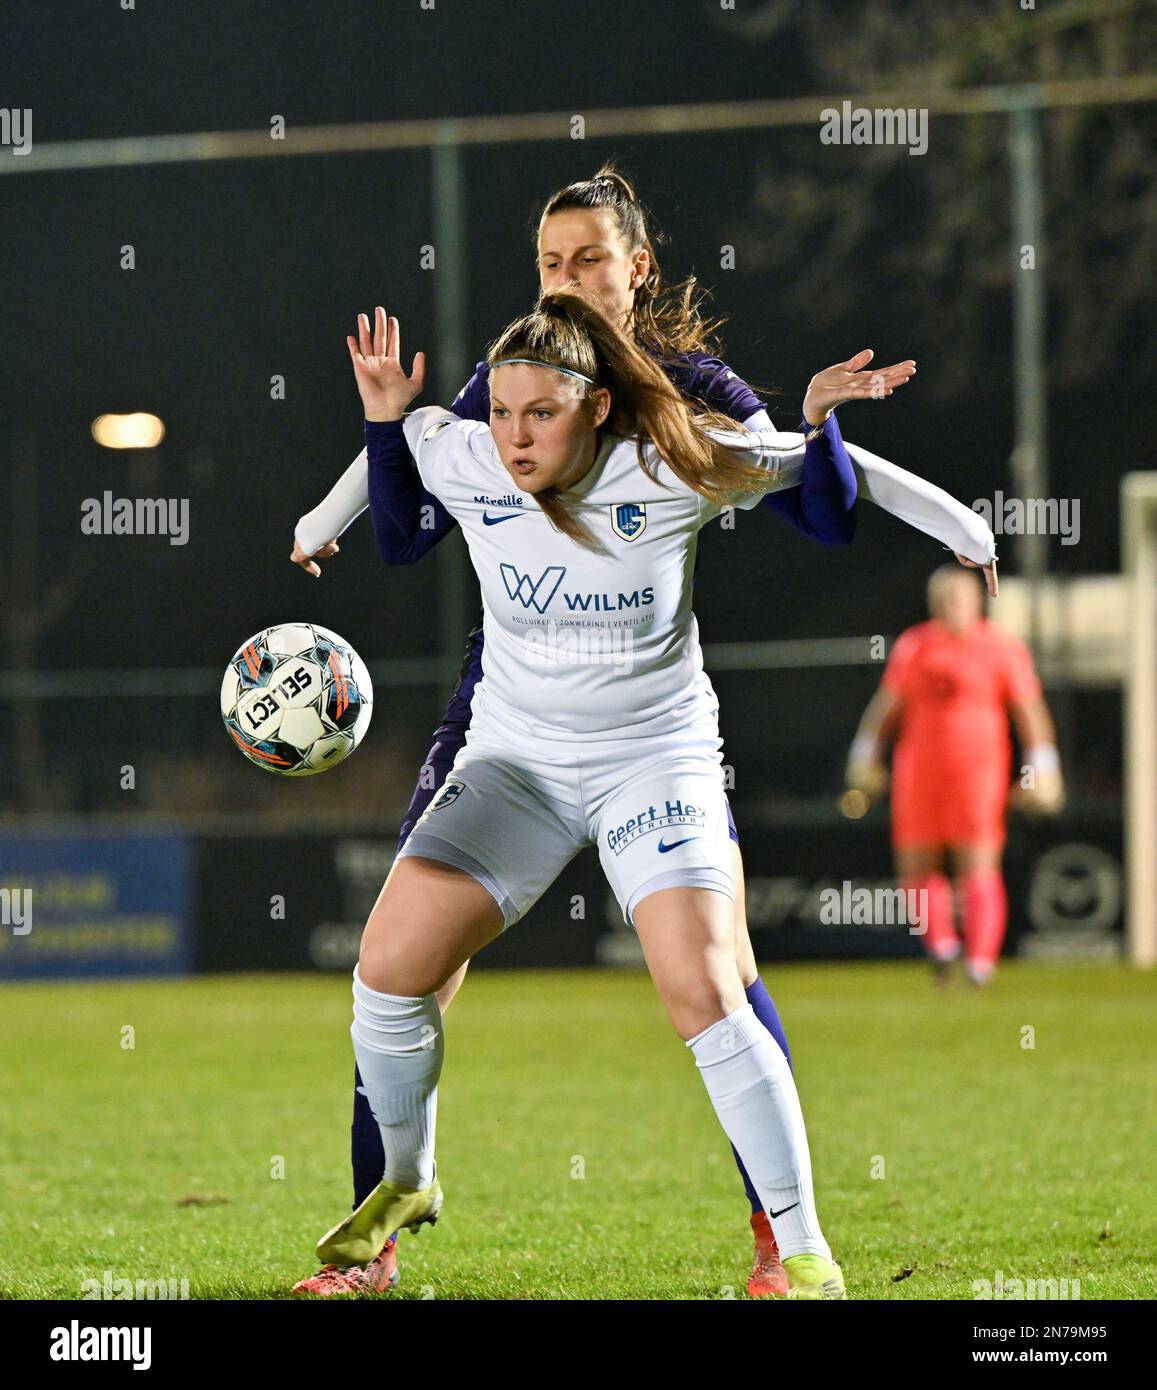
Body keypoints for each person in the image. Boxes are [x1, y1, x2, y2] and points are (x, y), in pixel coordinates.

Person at [291, 168, 995, 1296]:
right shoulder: (501, 397)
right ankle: (387, 1211)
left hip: (648, 744)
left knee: (709, 979)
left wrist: (935, 506)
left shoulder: (680, 425)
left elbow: (811, 489)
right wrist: (325, 511)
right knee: (400, 968)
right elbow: (414, 470)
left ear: (636, 272)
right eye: (547, 263)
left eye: (585, 260)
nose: (564, 281)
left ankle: (791, 1241)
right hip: (510, 730)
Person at [846, 565, 1064, 984]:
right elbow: (887, 705)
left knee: (977, 862)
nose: (953, 607)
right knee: (916, 861)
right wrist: (865, 754)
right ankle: (942, 946)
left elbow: (1029, 711)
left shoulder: (1001, 647)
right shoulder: (916, 644)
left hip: (979, 771)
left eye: (960, 598)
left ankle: (981, 962)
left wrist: (1044, 764)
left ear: (978, 602)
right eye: (944, 599)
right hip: (919, 770)